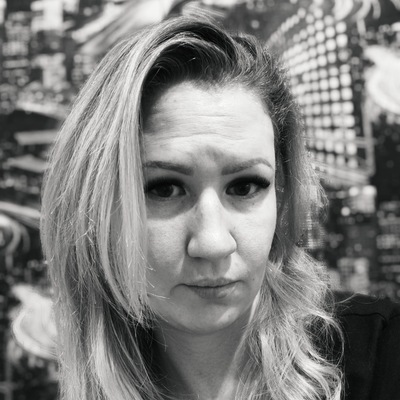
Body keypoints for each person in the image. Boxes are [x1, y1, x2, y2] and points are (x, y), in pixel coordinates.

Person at [40, 16, 400, 400]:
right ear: (96, 210)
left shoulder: (383, 356)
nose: (213, 243)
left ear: (281, 195)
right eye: (164, 189)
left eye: (245, 187)